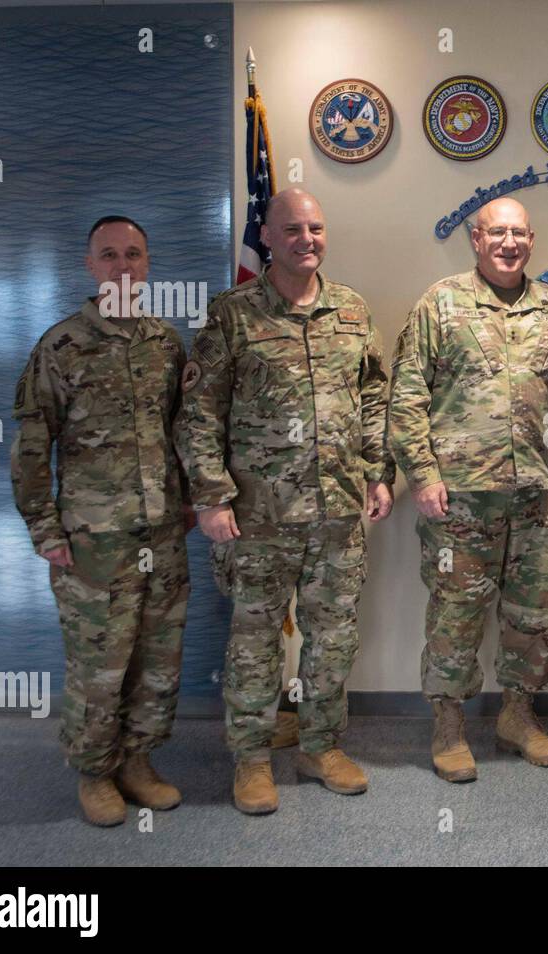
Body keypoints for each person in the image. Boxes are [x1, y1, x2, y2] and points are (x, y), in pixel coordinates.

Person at [174, 188, 394, 814]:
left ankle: (320, 745)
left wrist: (379, 473)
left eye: (317, 228)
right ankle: (250, 759)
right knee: (254, 641)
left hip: (337, 514)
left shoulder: (351, 309)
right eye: (292, 228)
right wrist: (212, 497)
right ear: (265, 237)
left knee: (333, 639)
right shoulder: (232, 314)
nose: (307, 239)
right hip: (256, 518)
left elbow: (373, 397)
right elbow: (198, 413)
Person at [387, 197, 548, 783]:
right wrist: (424, 475)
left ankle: (517, 715)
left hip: (536, 494)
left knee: (534, 614)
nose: (509, 243)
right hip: (459, 498)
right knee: (456, 612)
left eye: (519, 234)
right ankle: (450, 726)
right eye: (496, 233)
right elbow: (406, 397)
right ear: (476, 241)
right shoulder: (441, 303)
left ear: (531, 240)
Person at [11, 216, 191, 826]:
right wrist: (45, 529)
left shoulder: (166, 342)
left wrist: (189, 503)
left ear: (147, 265)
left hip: (162, 536)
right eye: (109, 254)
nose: (122, 265)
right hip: (94, 543)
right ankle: (94, 772)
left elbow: (184, 433)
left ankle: (137, 761)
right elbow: (33, 443)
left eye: (134, 255)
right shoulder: (61, 345)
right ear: (91, 265)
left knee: (158, 660)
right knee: (100, 666)